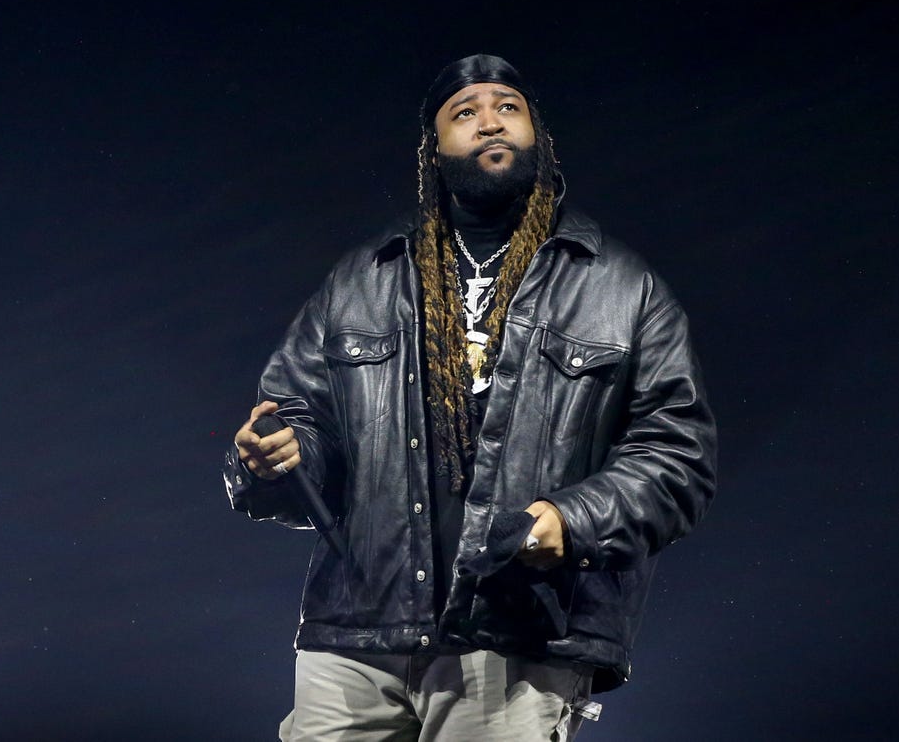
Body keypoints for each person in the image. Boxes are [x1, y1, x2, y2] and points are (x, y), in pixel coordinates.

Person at [224, 54, 717, 740]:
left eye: (508, 107)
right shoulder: (363, 279)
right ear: (432, 151)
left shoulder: (621, 288)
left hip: (517, 631)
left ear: (540, 138)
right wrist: (281, 456)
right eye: (465, 112)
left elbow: (678, 456)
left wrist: (569, 520)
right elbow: (304, 420)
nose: (490, 121)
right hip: (360, 630)